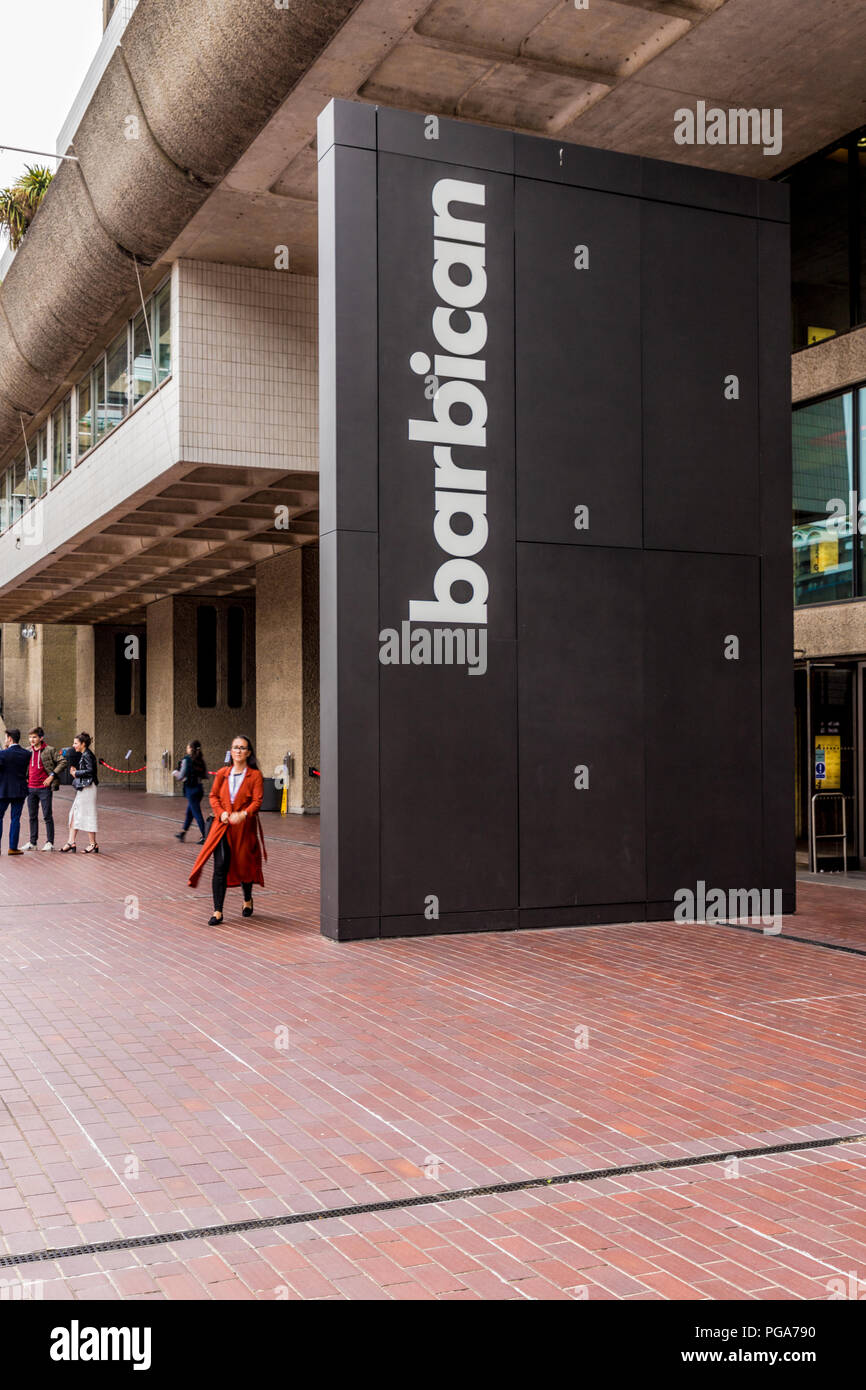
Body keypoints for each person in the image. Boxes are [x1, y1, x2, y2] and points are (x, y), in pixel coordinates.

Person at [189, 735, 266, 926]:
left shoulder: (254, 775)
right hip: (222, 826)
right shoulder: (223, 773)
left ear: (248, 752)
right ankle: (217, 911)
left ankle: (247, 898)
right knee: (220, 865)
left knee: (243, 864)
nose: (238, 751)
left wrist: (244, 814)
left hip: (244, 828)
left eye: (242, 748)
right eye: (235, 747)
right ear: (230, 751)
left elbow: (257, 801)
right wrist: (221, 813)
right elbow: (213, 796)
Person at [22, 726, 67, 852]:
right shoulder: (27, 751)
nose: (32, 739)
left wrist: (52, 776)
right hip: (30, 788)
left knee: (47, 815)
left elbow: (63, 762)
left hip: (44, 788)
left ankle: (49, 842)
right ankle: (32, 842)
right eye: (30, 737)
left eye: (34, 737)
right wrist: (25, 777)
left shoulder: (49, 750)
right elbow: (24, 767)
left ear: (41, 738)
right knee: (32, 816)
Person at [60, 733, 99, 854]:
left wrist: (76, 773)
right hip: (84, 788)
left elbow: (90, 771)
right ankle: (71, 841)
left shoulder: (87, 755)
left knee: (87, 814)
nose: (73, 745)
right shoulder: (85, 754)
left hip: (88, 788)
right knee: (74, 813)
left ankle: (93, 843)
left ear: (83, 744)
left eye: (76, 743)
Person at [0, 729, 32, 855]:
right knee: (15, 818)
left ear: (9, 738)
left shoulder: (2, 754)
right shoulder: (26, 753)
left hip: (4, 790)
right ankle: (12, 847)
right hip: (19, 789)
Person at [172, 740, 208, 843]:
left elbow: (181, 776)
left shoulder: (186, 760)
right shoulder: (201, 760)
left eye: (188, 747)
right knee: (190, 812)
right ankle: (182, 833)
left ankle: (206, 836)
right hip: (199, 788)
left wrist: (175, 772)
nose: (186, 749)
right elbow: (205, 774)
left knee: (197, 813)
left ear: (191, 749)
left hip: (191, 790)